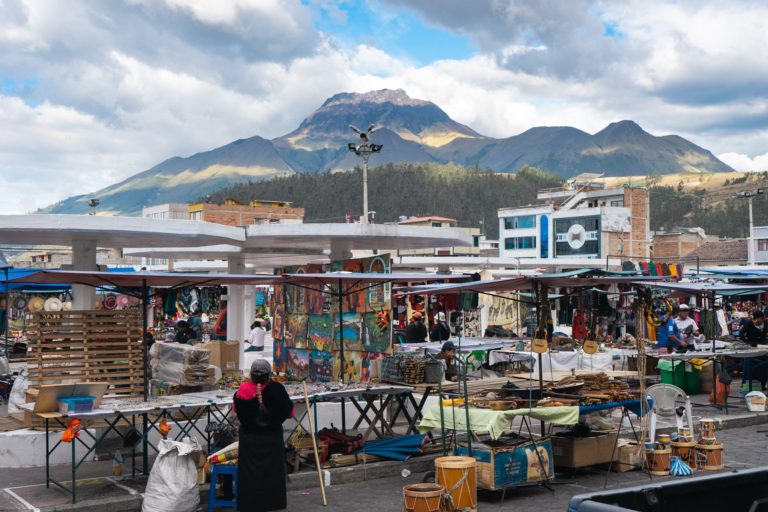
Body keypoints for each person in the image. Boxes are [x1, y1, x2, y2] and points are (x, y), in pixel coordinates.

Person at [234, 359, 295, 511]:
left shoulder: (242, 390)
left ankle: (250, 504)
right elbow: (290, 413)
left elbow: (236, 410)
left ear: (251, 375)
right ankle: (273, 503)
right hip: (272, 439)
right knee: (272, 473)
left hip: (249, 441)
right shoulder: (277, 389)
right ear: (269, 375)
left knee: (250, 473)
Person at [740, 311, 767, 390]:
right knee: (751, 366)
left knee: (763, 366)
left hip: (763, 347)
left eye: (763, 318)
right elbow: (741, 335)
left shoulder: (765, 323)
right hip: (752, 348)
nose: (763, 320)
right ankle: (748, 386)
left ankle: (761, 385)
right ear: (756, 318)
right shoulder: (749, 323)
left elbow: (764, 335)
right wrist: (747, 342)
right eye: (761, 319)